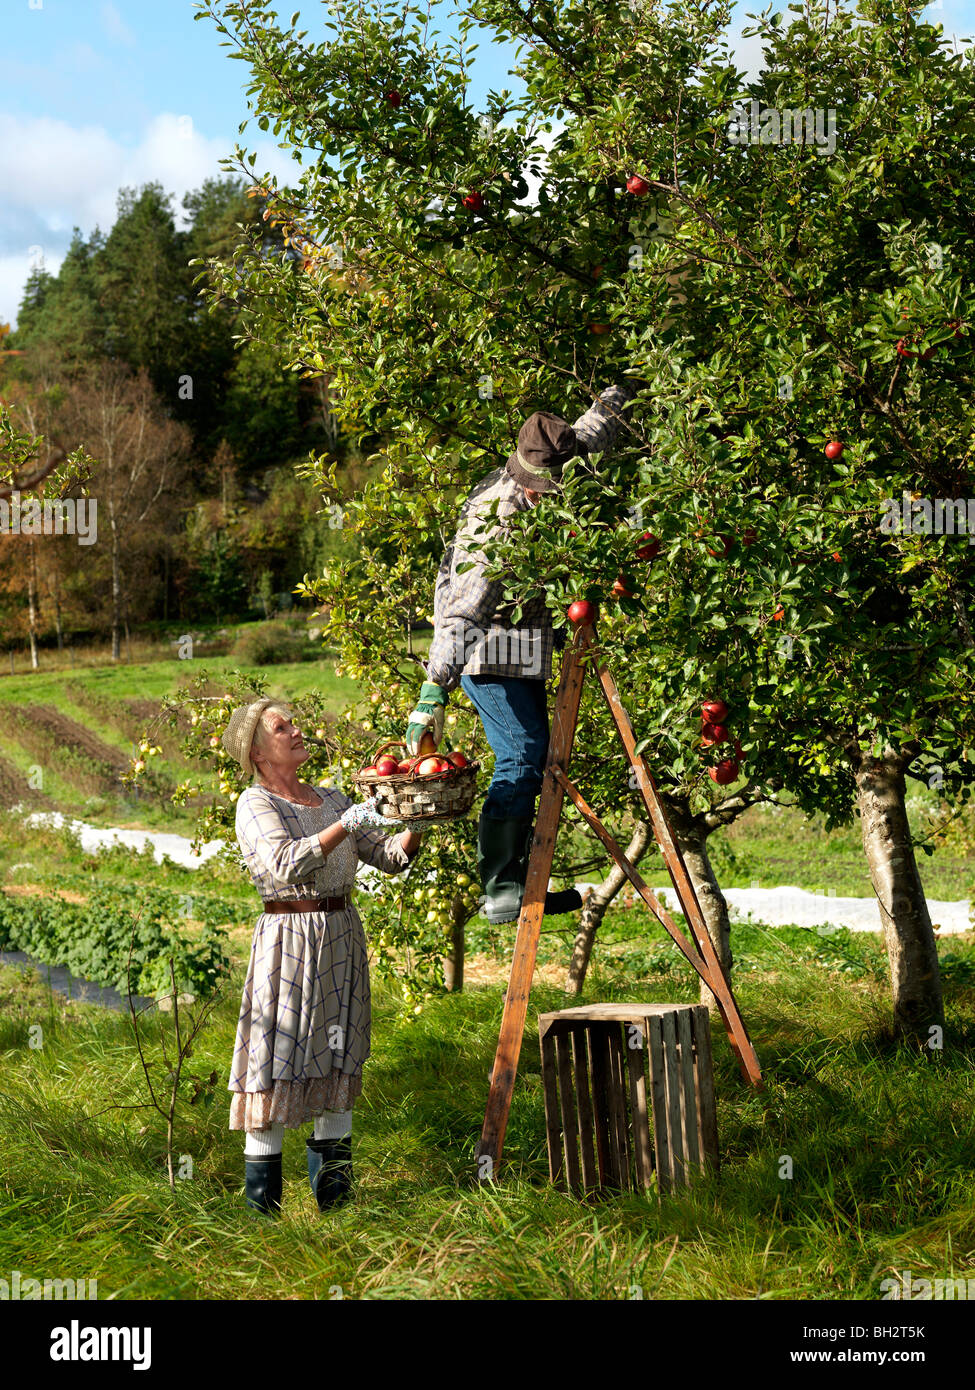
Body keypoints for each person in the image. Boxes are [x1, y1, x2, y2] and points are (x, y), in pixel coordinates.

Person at [405, 383, 637, 925]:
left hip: (527, 646)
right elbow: (464, 613)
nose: (552, 495)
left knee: (541, 757)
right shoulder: (498, 525)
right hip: (484, 651)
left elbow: (593, 427)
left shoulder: (559, 452)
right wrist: (434, 688)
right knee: (522, 751)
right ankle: (501, 887)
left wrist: (630, 386)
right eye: (545, 489)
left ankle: (527, 879)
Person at [221, 697, 422, 1216]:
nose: (295, 730)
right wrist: (347, 824)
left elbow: (392, 858)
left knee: (336, 1058)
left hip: (339, 937)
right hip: (288, 941)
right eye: (280, 727)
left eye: (293, 722)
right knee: (275, 1058)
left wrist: (420, 812)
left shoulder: (331, 797)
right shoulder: (256, 803)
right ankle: (263, 1215)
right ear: (258, 752)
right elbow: (287, 864)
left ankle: (336, 1209)